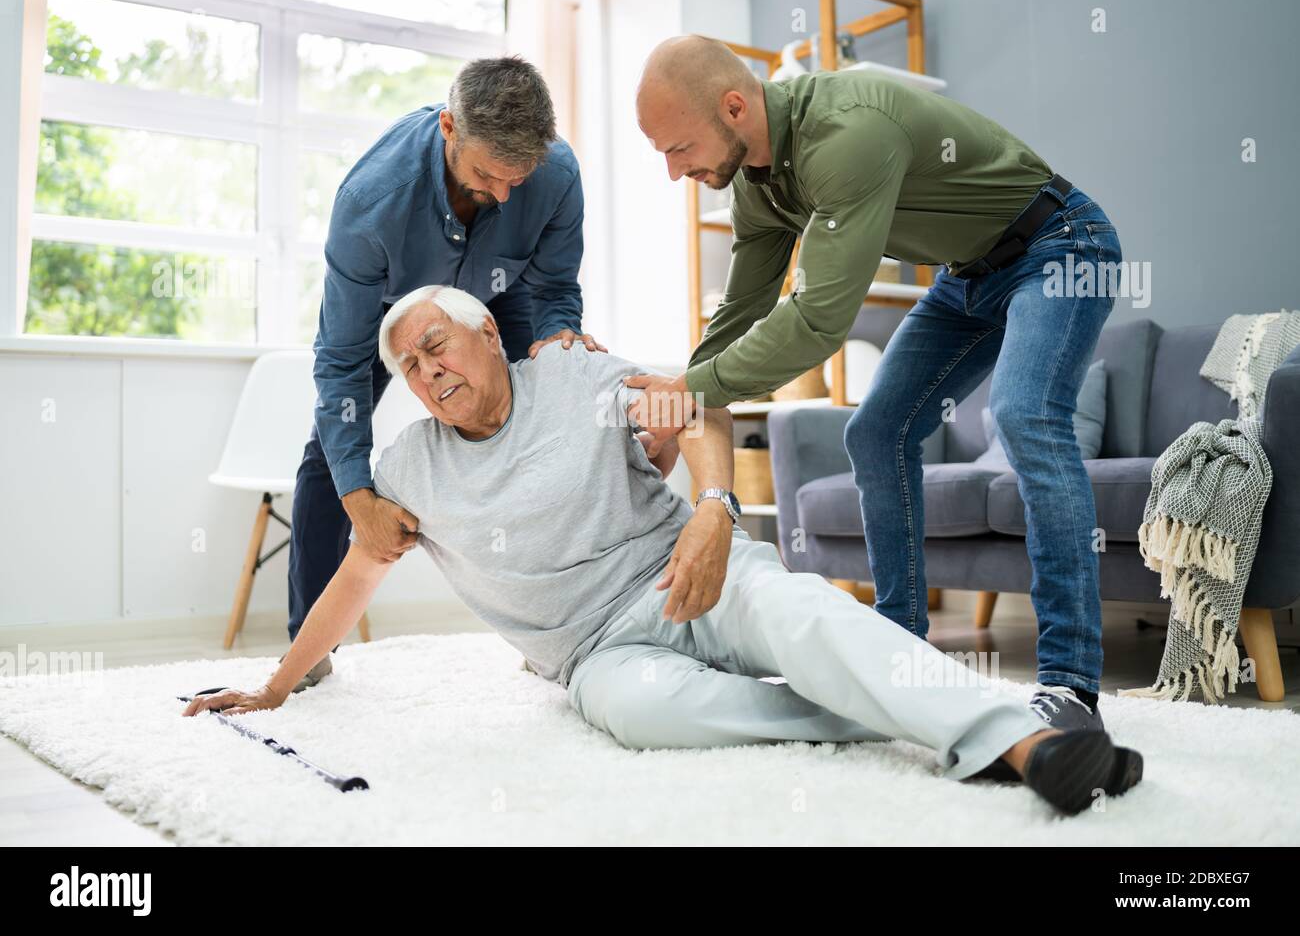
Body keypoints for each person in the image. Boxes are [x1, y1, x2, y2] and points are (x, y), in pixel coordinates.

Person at [185, 286, 1144, 816]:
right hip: (601, 652)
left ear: (488, 332)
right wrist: (277, 684)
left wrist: (714, 509)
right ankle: (894, 713)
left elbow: (695, 413)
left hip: (692, 574)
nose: (430, 371)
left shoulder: (576, 376)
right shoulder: (411, 468)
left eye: (440, 343)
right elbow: (357, 576)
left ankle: (1030, 745)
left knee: (806, 616)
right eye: (411, 366)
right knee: (640, 712)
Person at [628, 35, 1124, 733]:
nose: (675, 172)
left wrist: (689, 384)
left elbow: (819, 319)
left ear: (734, 107)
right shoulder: (755, 183)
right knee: (876, 431)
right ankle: (900, 653)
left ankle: (1071, 685)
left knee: (1024, 416)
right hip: (968, 276)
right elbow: (739, 313)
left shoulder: (847, 132)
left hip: (1061, 245)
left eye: (678, 149)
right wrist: (686, 403)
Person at [287, 56, 610, 685]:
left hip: (500, 290)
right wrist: (361, 497)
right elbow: (341, 365)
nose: (505, 194)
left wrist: (558, 349)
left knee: (545, 432)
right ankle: (307, 651)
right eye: (489, 174)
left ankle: (557, 628)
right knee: (327, 457)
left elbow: (553, 292)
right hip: (395, 300)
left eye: (521, 177)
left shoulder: (556, 172)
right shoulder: (369, 204)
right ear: (448, 128)